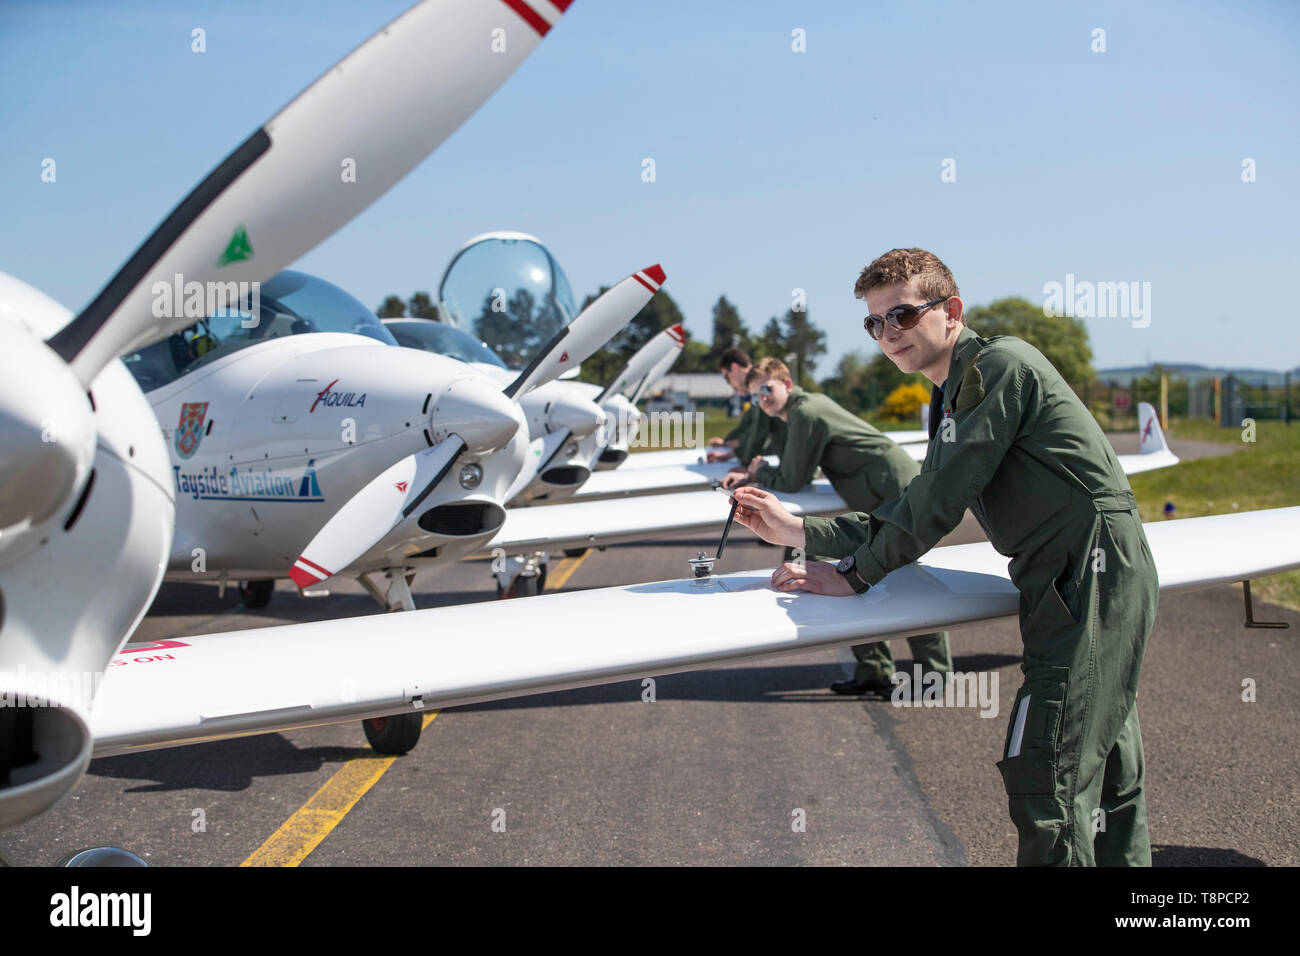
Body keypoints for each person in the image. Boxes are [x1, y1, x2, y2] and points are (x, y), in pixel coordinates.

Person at [730, 248, 1157, 867]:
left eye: (900, 315)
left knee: (1048, 777)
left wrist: (854, 575)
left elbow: (935, 504)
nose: (888, 334)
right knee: (1108, 777)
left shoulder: (995, 370)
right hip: (1069, 580)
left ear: (950, 311)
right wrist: (798, 528)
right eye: (875, 323)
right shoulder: (957, 392)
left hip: (1087, 574)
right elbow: (917, 499)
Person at [721, 358, 951, 696]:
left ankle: (935, 678)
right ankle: (874, 669)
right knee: (851, 574)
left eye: (767, 390)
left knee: (908, 578)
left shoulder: (805, 412)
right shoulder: (798, 412)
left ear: (786, 383)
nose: (763, 400)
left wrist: (758, 472)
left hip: (892, 486)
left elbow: (793, 478)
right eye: (755, 396)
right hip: (872, 492)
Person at [706, 348, 784, 465]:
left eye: (726, 377)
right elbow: (748, 424)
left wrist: (744, 464)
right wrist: (726, 443)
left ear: (734, 368)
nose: (728, 383)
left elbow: (759, 430)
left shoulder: (761, 387)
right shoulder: (756, 393)